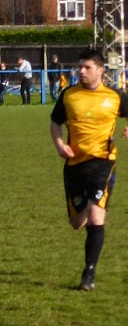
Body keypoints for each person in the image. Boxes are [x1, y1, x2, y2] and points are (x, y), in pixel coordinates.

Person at [50, 48, 126, 292]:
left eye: (87, 67)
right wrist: (60, 144)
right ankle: (83, 208)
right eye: (79, 67)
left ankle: (88, 273)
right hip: (74, 164)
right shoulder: (69, 95)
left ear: (100, 70)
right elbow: (55, 123)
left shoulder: (115, 96)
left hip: (103, 162)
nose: (81, 71)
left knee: (96, 215)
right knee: (77, 222)